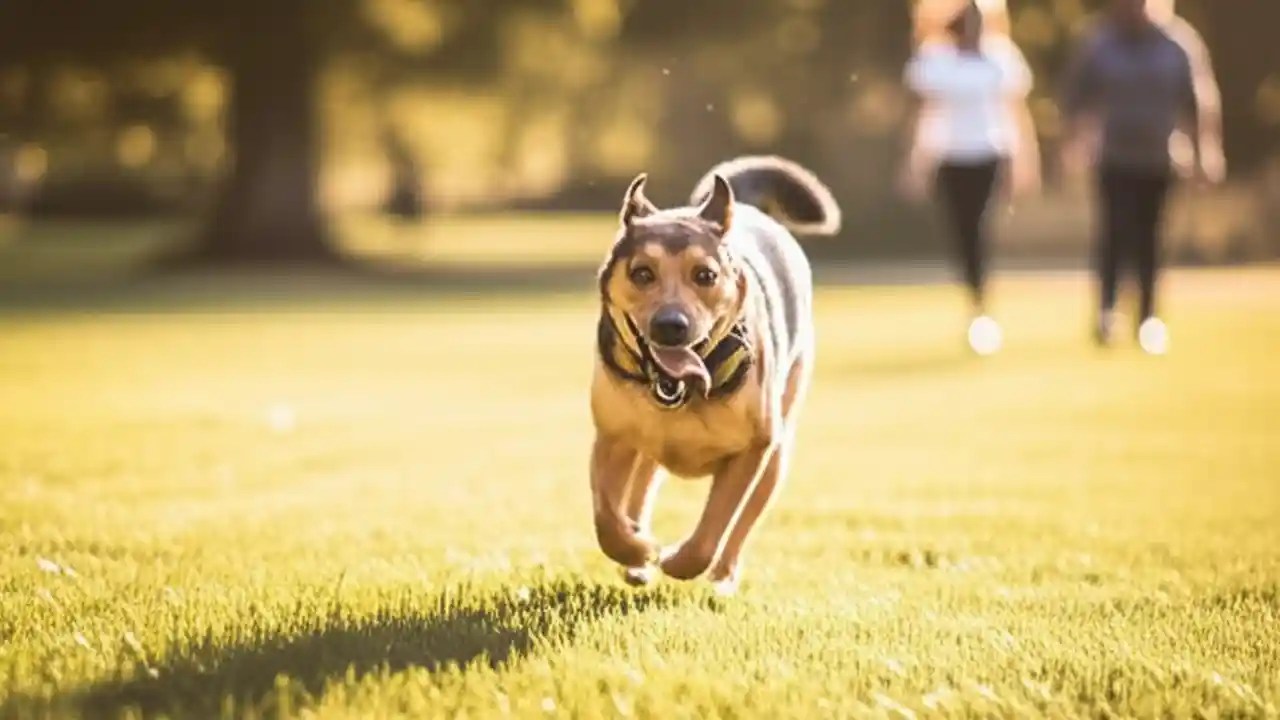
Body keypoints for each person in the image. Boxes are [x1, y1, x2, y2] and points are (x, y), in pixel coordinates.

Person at [1059, 0, 1225, 355]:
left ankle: (1148, 316)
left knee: (1151, 239)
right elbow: (1076, 97)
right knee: (1113, 235)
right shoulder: (1100, 42)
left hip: (1160, 159)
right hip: (1114, 157)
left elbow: (1200, 101)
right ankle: (1107, 311)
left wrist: (1206, 151)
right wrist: (1073, 144)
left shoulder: (1179, 42)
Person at [901, 0, 1041, 356]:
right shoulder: (935, 60)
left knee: (978, 227)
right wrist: (914, 165)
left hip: (988, 155)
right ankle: (975, 294)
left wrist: (1025, 161)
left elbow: (1015, 114)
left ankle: (980, 302)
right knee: (961, 231)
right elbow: (923, 116)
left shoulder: (1001, 58)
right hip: (949, 158)